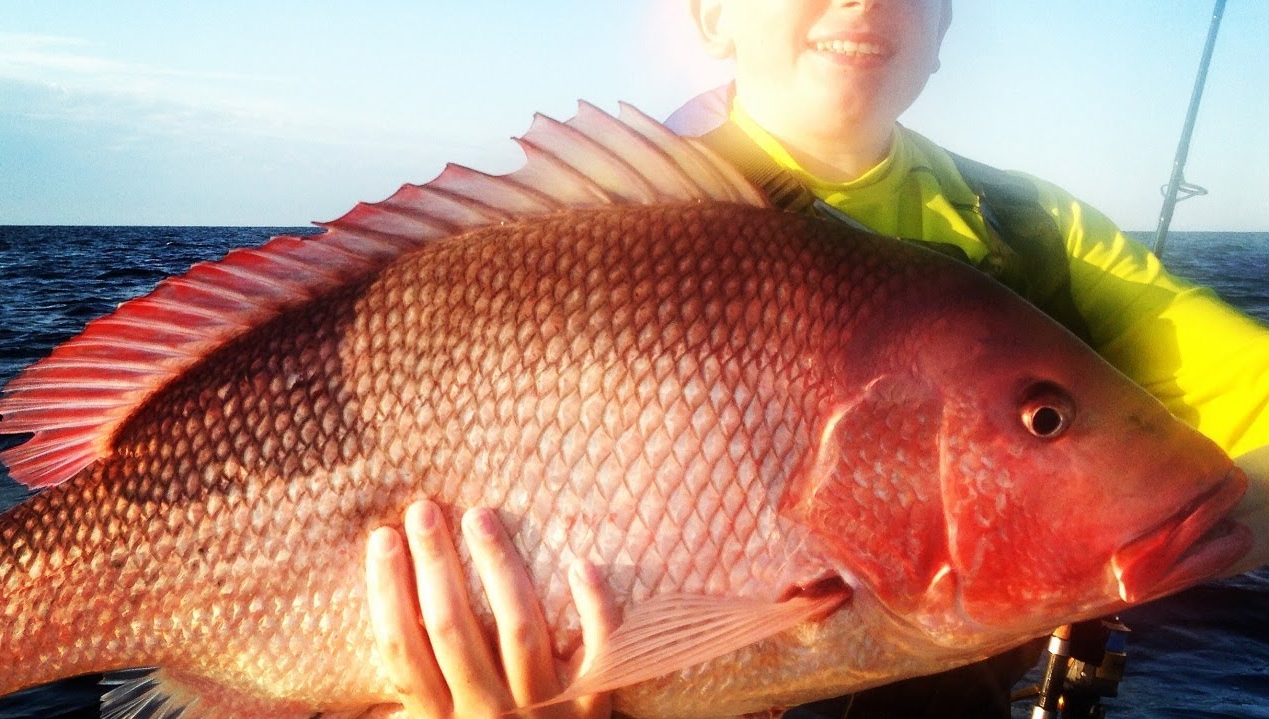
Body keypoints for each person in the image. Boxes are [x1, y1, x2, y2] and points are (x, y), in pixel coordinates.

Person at [363, 1, 1269, 717]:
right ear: (710, 13)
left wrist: (1147, 539)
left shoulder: (1035, 230)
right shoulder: (600, 222)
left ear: (946, 23)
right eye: (1042, 415)